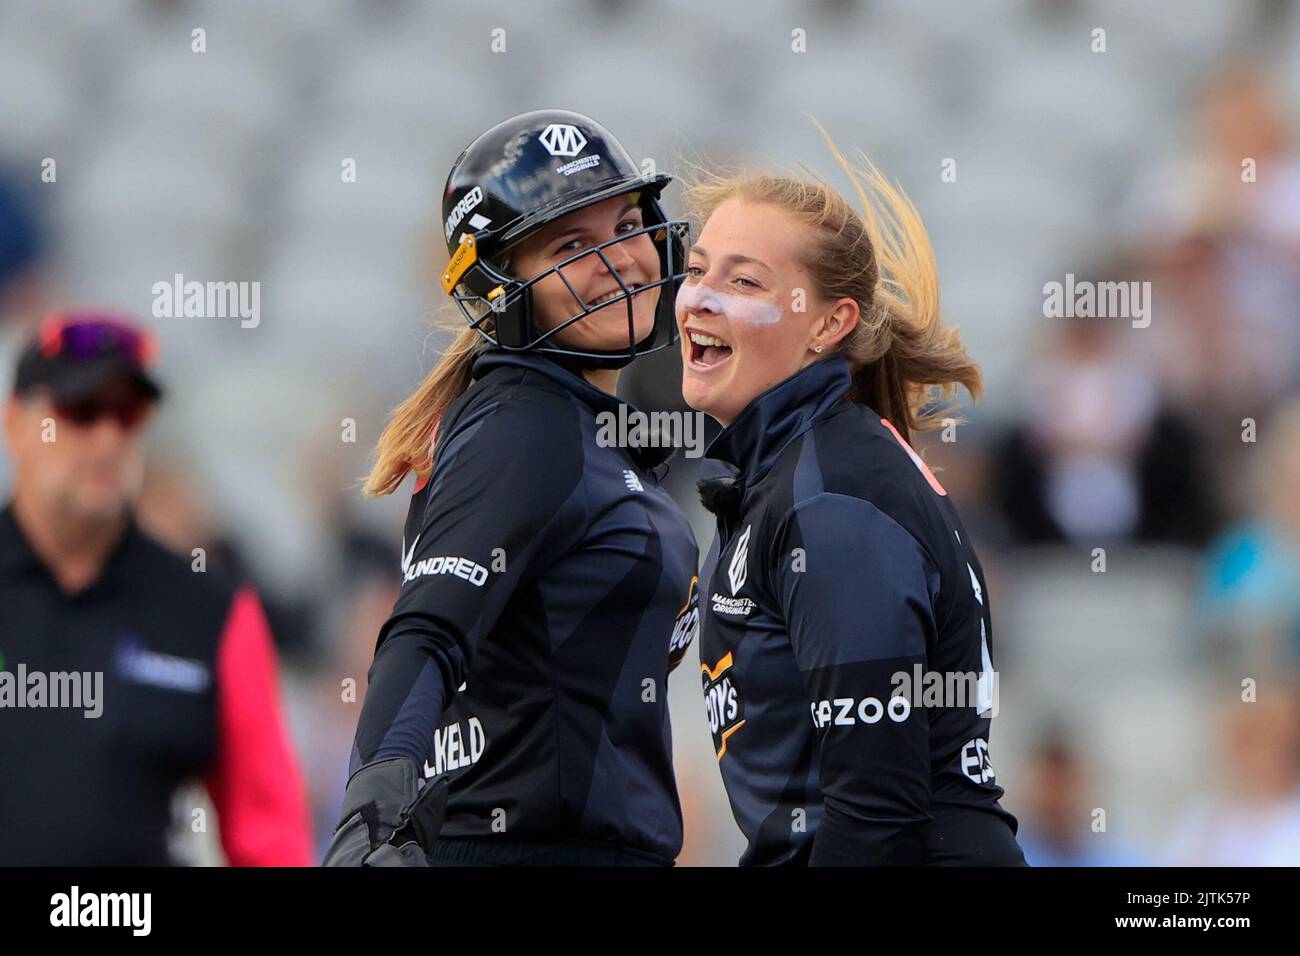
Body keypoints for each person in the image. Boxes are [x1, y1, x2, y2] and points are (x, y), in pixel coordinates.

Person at [322, 110, 699, 867]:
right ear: (502, 285)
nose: (620, 259)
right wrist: (372, 817)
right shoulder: (525, 427)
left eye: (627, 225)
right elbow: (426, 629)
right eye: (571, 246)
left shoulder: (578, 428)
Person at [678, 138, 1024, 865]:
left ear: (829, 324)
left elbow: (876, 813)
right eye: (697, 270)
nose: (699, 298)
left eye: (744, 281)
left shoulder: (832, 498)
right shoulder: (791, 475)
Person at [0, 310, 312, 865]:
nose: (107, 438)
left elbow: (271, 841)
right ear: (14, 424)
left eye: (127, 413)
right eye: (80, 409)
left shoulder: (213, 611)